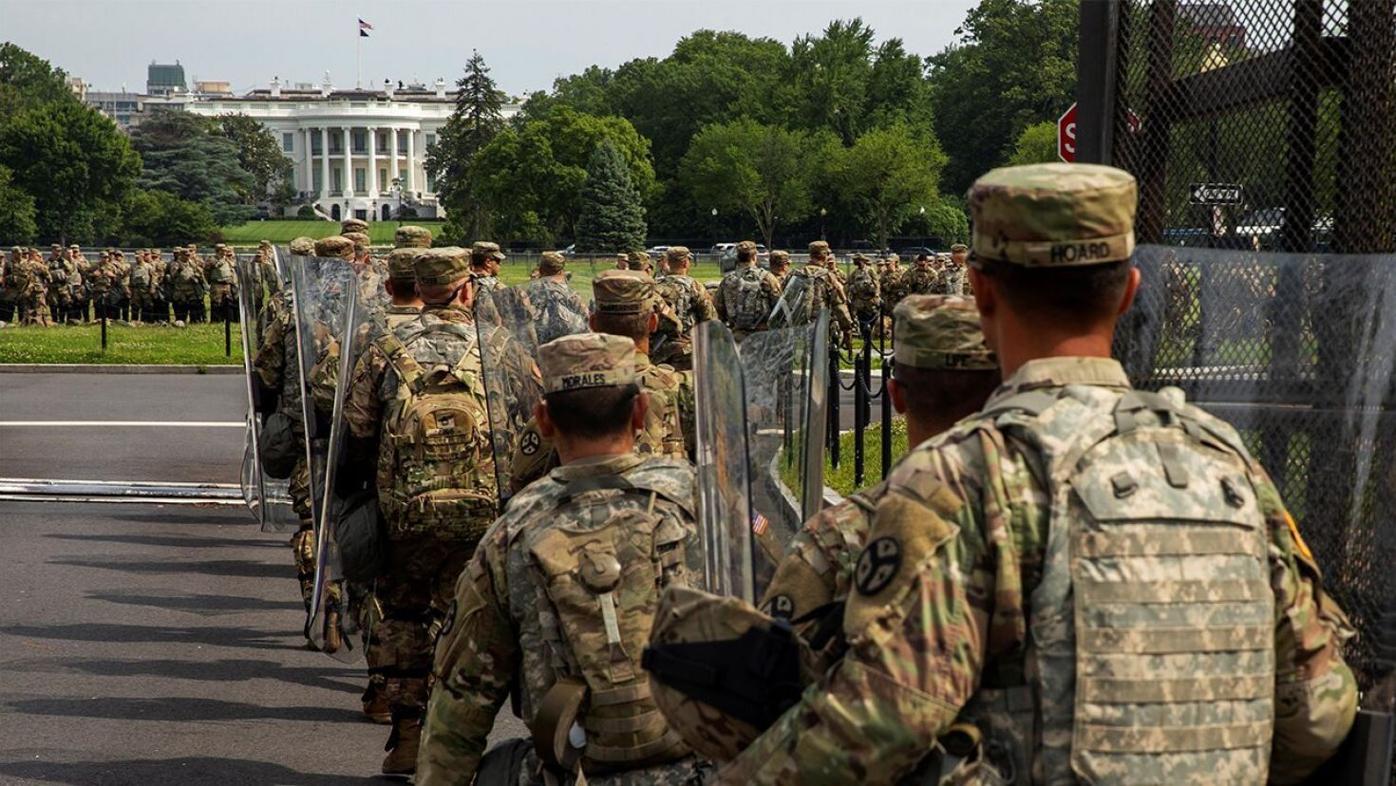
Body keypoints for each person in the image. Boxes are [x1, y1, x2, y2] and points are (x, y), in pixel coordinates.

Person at [709, 163, 1357, 785]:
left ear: (982, 291)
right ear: (1130, 290)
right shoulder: (1228, 463)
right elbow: (1320, 716)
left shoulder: (961, 475)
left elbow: (872, 729)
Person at [417, 331, 710, 786]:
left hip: (571, 772)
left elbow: (463, 696)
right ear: (640, 411)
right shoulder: (707, 503)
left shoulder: (511, 533)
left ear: (544, 421)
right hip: (702, 769)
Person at [343, 245, 510, 776]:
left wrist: (360, 495)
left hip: (406, 514)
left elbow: (356, 432)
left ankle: (408, 733)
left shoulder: (383, 346)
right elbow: (526, 430)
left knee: (405, 616)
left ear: (418, 288)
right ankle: (452, 739)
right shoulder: (498, 348)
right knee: (466, 622)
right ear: (467, 289)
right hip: (480, 513)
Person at [757, 295, 999, 642]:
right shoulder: (1055, 508)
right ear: (1001, 390)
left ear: (895, 396)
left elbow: (770, 663)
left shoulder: (839, 536)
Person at [510, 269, 694, 494]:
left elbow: (522, 479)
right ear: (653, 322)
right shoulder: (685, 391)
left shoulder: (567, 394)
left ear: (593, 323)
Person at [652, 246, 716, 370]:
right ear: (685, 263)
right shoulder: (694, 286)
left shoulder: (655, 286)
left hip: (659, 349)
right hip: (686, 350)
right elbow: (709, 318)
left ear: (668, 262)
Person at [785, 241, 853, 346]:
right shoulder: (828, 276)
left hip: (797, 326)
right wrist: (847, 328)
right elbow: (838, 305)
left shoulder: (795, 274)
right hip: (819, 325)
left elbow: (784, 300)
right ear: (824, 256)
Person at [713, 241, 782, 343]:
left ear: (737, 258)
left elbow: (718, 309)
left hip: (737, 336)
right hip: (763, 337)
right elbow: (779, 306)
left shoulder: (728, 280)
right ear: (754, 257)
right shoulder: (768, 278)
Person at [526, 250, 589, 345]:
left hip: (538, 340)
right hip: (566, 341)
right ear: (561, 271)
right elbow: (585, 316)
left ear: (541, 270)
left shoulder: (532, 289)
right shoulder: (569, 293)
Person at [846, 254, 881, 338]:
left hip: (870, 300)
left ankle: (870, 333)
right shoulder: (855, 272)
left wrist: (876, 295)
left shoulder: (870, 270)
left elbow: (877, 283)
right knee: (861, 317)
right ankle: (863, 334)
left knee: (872, 316)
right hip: (859, 301)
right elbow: (849, 283)